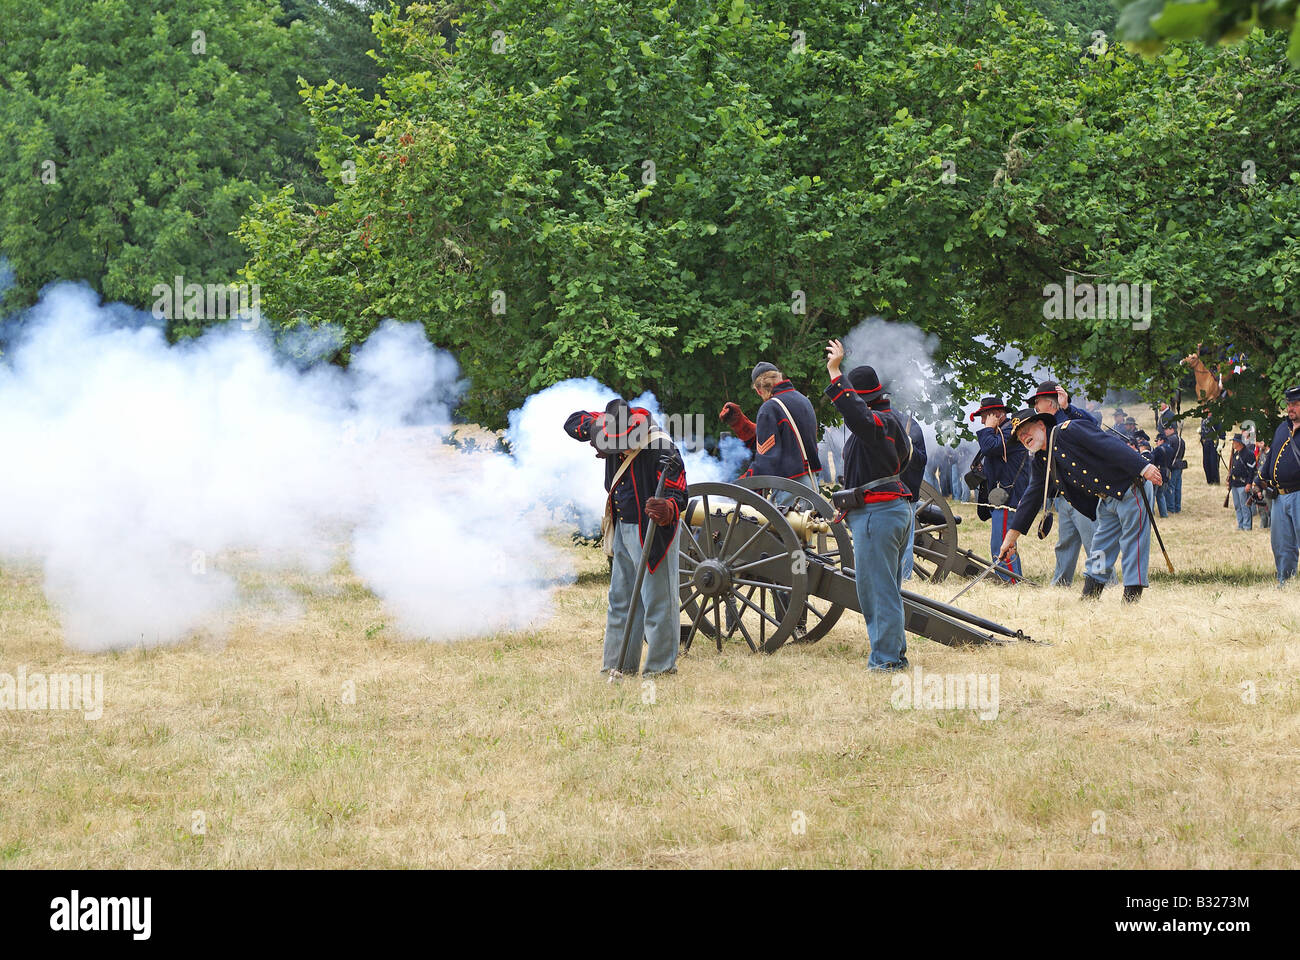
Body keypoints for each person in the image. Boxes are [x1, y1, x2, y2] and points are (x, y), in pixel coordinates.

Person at [564, 399, 688, 677]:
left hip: (654, 532)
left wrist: (667, 509)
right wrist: (594, 427)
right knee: (621, 600)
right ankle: (617, 665)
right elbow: (572, 422)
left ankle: (660, 669)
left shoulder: (661, 446)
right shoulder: (608, 430)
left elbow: (680, 494)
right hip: (623, 527)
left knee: (659, 603)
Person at [997, 409, 1163, 602]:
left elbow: (1109, 445)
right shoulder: (1042, 460)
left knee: (1133, 544)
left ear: (1041, 425)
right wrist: (1011, 538)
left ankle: (1131, 600)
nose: (1024, 437)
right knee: (1100, 547)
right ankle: (1089, 597)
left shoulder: (1071, 430)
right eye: (1020, 435)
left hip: (1130, 487)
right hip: (1105, 499)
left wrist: (1143, 467)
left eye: (1026, 430)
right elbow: (1031, 497)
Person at [823, 339, 913, 671]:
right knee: (884, 591)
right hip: (882, 512)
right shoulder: (890, 425)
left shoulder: (879, 423)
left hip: (879, 515)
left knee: (878, 593)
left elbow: (856, 416)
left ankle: (887, 661)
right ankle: (894, 655)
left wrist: (835, 372)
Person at [1027, 380, 1098, 586]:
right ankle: (1060, 583)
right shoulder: (1045, 427)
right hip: (1062, 496)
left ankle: (1105, 581)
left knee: (1093, 542)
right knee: (1065, 543)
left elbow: (1092, 425)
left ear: (1051, 403)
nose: (1036, 407)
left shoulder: (1069, 419)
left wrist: (1067, 407)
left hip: (1082, 492)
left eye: (1038, 402)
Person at [720, 362, 822, 505]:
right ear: (779, 378)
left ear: (758, 390)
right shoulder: (803, 400)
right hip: (811, 484)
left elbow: (765, 461)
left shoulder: (770, 408)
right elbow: (784, 439)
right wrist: (740, 424)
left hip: (789, 489)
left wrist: (739, 486)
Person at [973, 395, 1029, 582]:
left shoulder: (1011, 431)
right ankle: (1008, 577)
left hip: (1009, 495)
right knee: (1001, 540)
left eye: (984, 416)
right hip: (1002, 493)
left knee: (1003, 542)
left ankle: (1011, 581)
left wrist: (989, 428)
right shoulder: (1001, 432)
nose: (982, 421)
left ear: (996, 414)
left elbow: (990, 448)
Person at [1257, 385, 1300, 585]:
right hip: (1279, 496)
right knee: (1281, 545)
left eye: (1296, 404)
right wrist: (1260, 479)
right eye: (1289, 404)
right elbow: (1273, 455)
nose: (1291, 408)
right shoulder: (1283, 427)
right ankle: (1286, 583)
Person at [898, 411, 928, 580]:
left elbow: (921, 460)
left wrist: (908, 446)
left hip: (905, 492)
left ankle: (905, 582)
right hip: (883, 492)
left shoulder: (910, 424)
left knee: (905, 543)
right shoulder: (874, 422)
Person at [1228, 433, 1256, 531]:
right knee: (1237, 506)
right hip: (1235, 483)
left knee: (1245, 506)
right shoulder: (1236, 454)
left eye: (1234, 442)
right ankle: (1240, 525)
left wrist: (1249, 483)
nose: (1233, 443)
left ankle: (1247, 526)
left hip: (1243, 484)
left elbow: (1252, 471)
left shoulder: (1249, 454)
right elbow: (1233, 468)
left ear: (1239, 443)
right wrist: (1230, 481)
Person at [1163, 423, 1186, 513]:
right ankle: (1177, 507)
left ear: (1172, 429)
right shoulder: (1182, 440)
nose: (1165, 431)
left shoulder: (1169, 440)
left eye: (1166, 429)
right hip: (1179, 464)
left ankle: (1171, 508)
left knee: (1170, 487)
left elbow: (1168, 454)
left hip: (1172, 466)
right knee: (1177, 487)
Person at [1150, 432, 1172, 518]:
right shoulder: (1171, 449)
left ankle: (1150, 514)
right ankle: (1164, 514)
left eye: (1157, 440)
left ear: (1161, 440)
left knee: (1153, 494)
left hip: (1158, 472)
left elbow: (1153, 459)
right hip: (1167, 473)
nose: (1156, 442)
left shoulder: (1158, 449)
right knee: (1161, 494)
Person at [1201, 415, 1223, 484]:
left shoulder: (1216, 418)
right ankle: (1209, 480)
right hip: (1206, 443)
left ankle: (1215, 481)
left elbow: (1221, 432)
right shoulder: (1203, 418)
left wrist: (1221, 444)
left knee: (1213, 462)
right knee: (1206, 462)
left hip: (1213, 442)